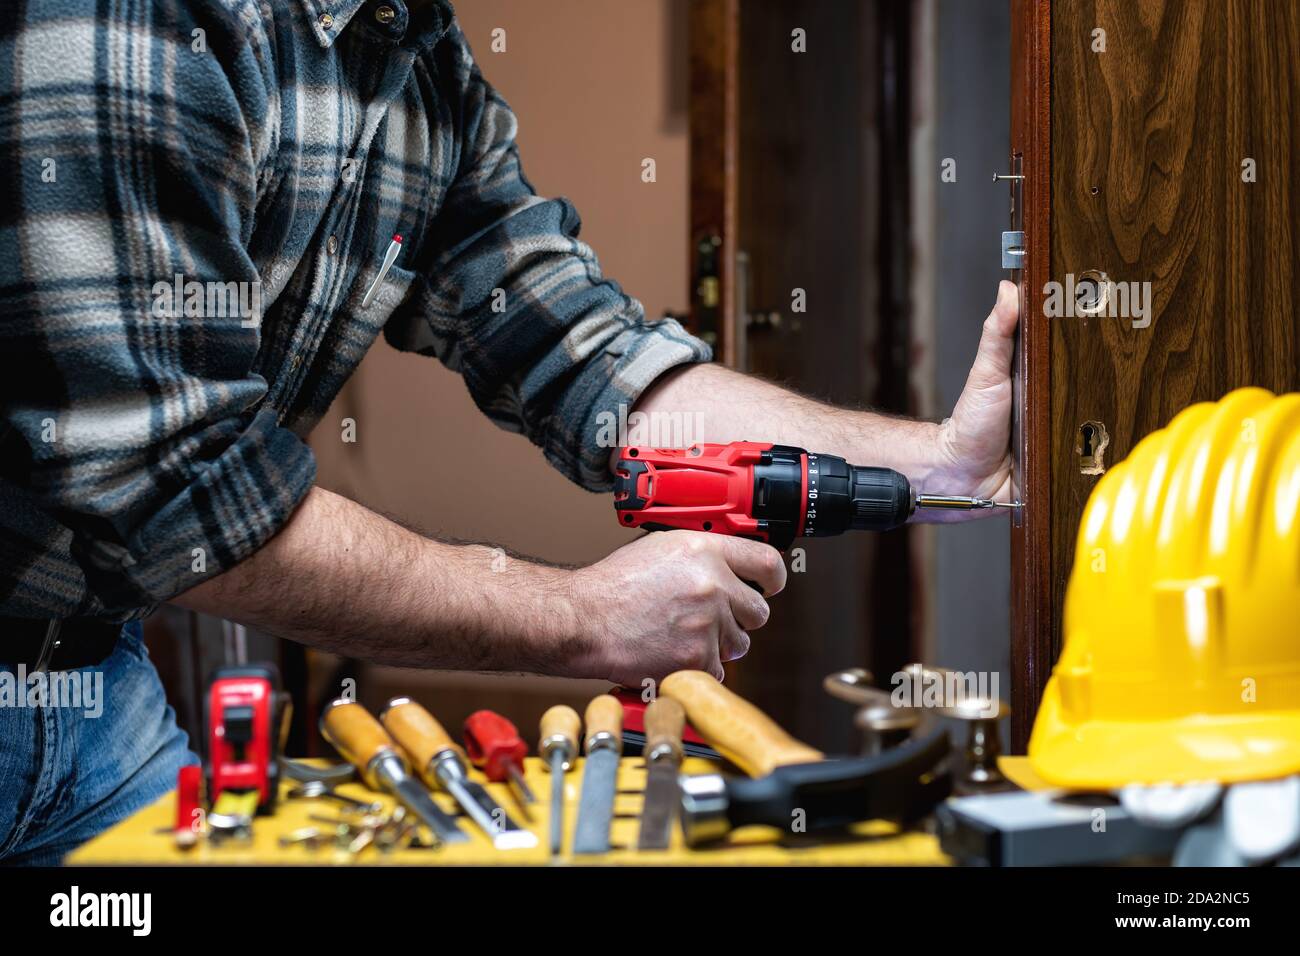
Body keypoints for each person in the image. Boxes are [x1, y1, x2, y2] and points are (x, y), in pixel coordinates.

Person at [0, 0, 1018, 863]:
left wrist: (941, 462)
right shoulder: (143, 22)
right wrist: (586, 615)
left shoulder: (415, 54)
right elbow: (164, 493)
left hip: (94, 675)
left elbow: (580, 348)